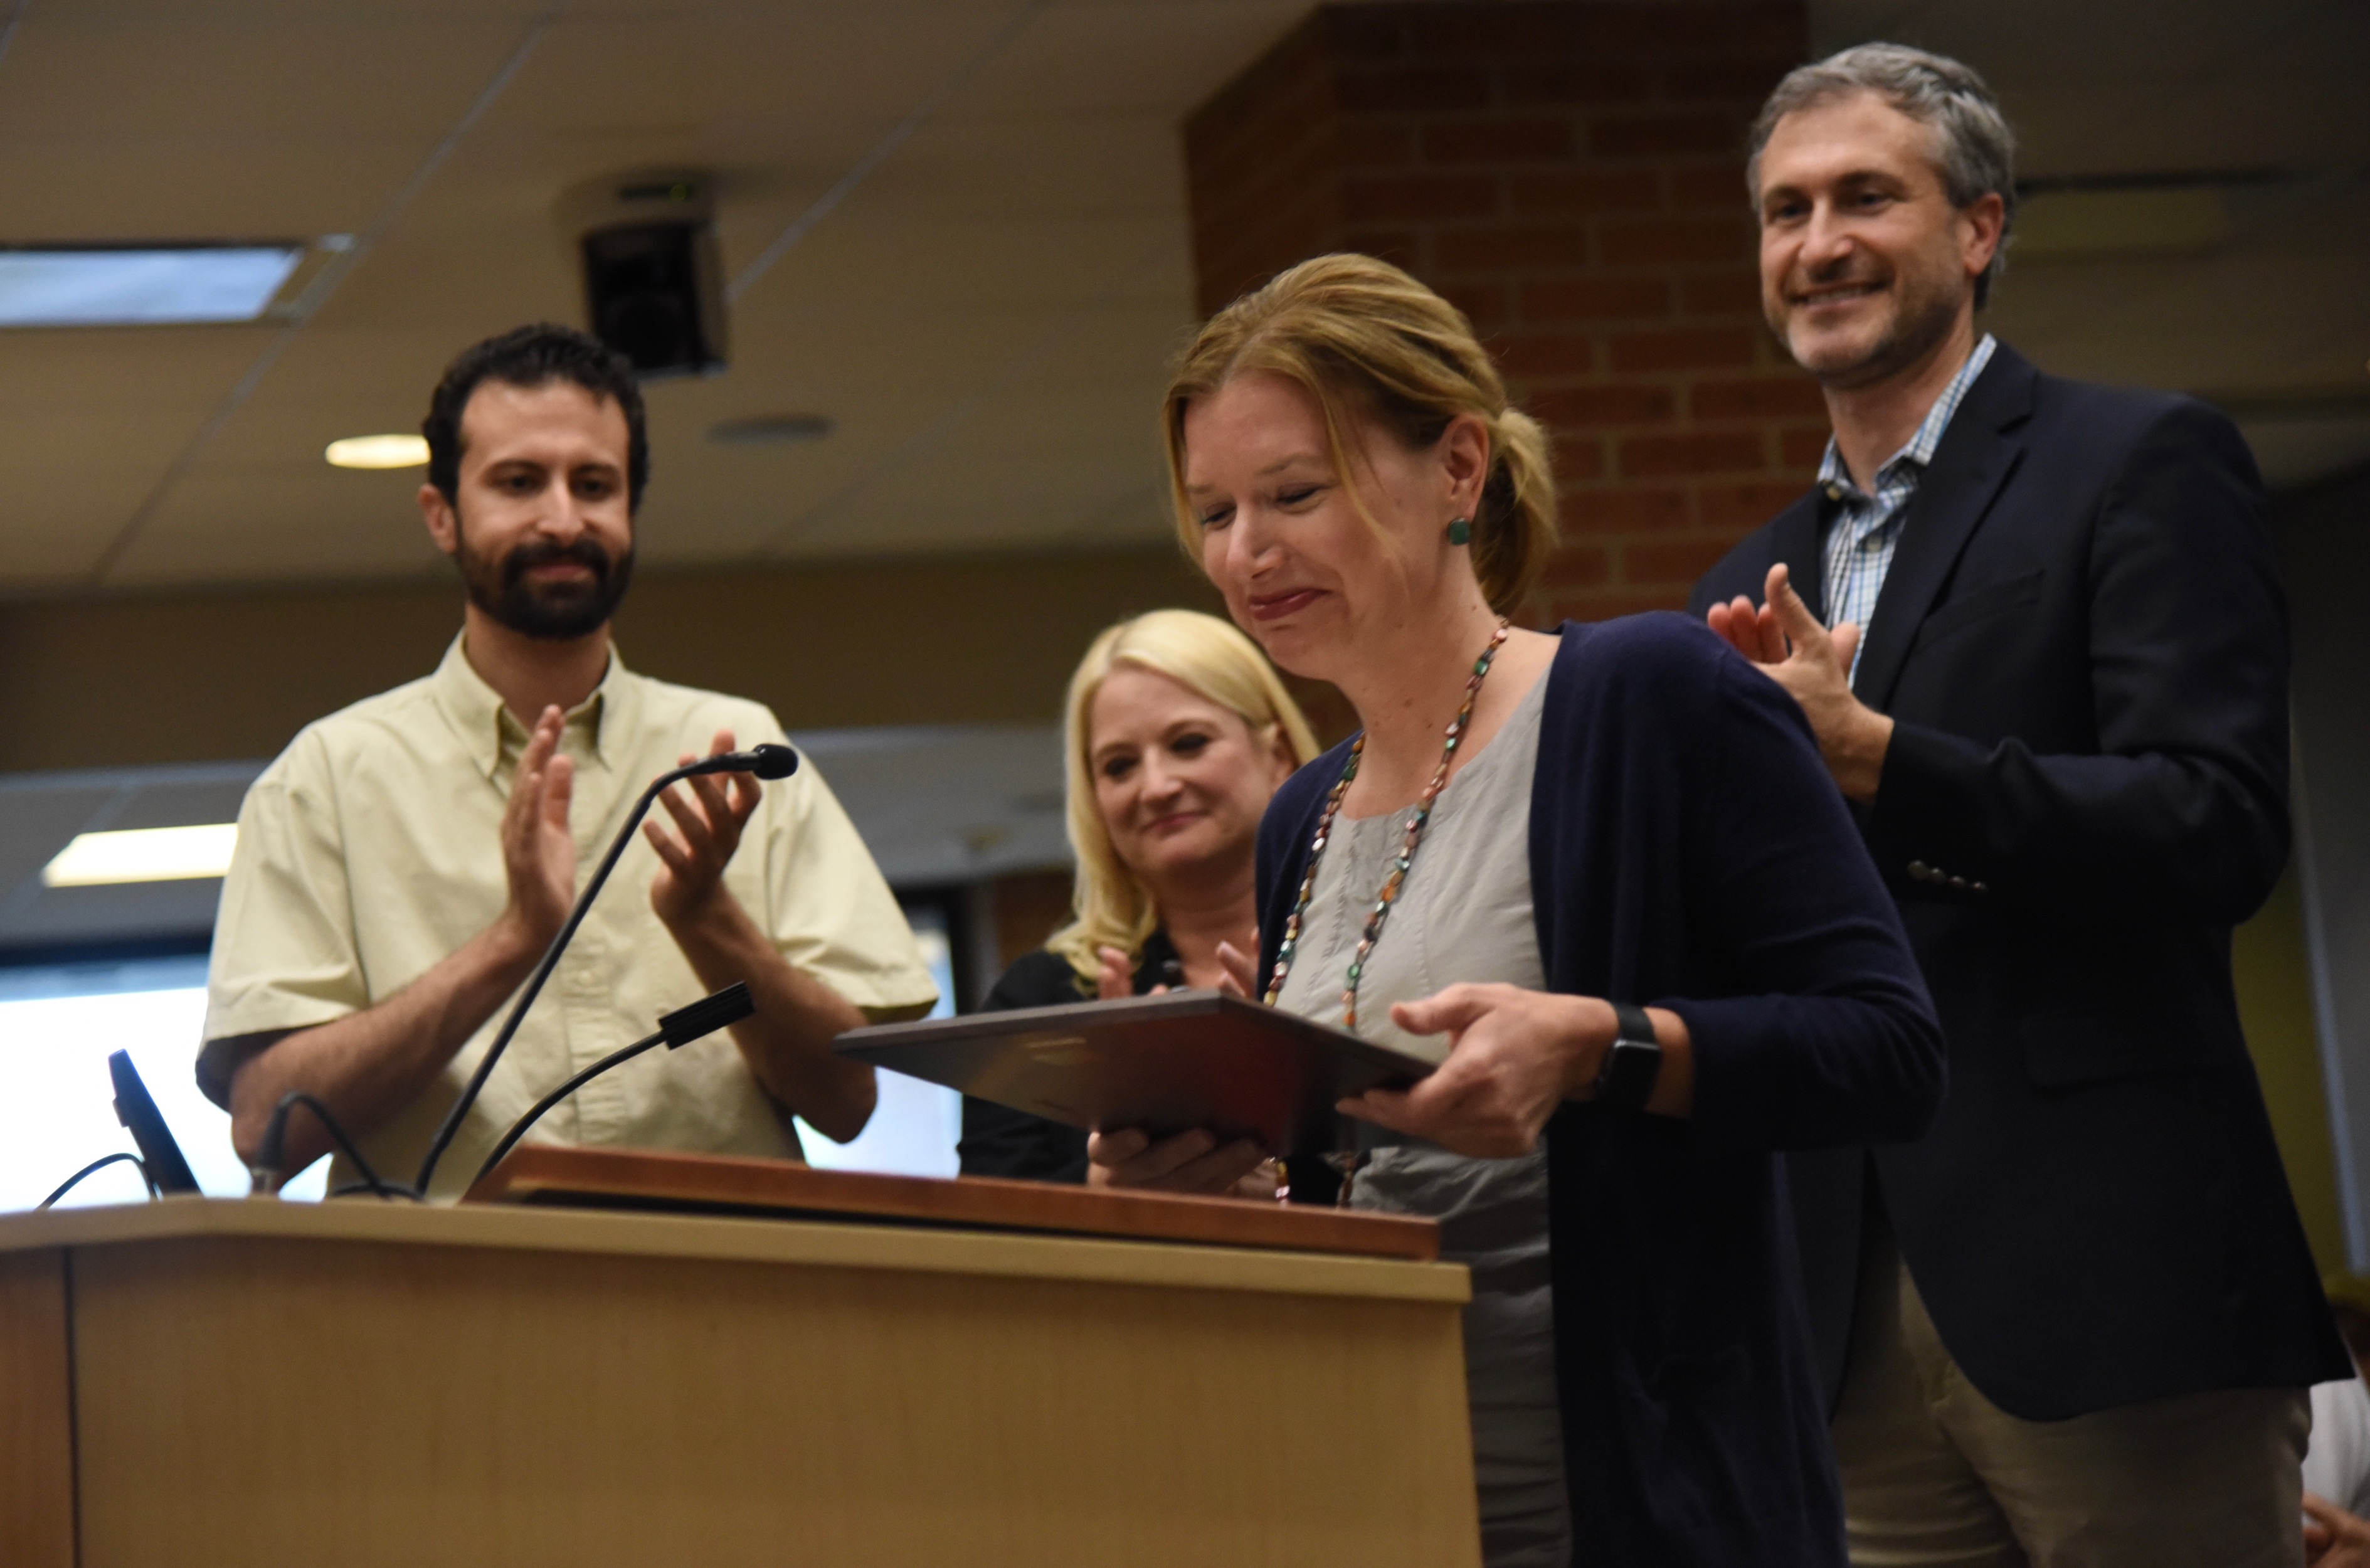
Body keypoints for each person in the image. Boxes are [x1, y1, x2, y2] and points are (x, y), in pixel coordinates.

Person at [1105, 251, 1946, 1567]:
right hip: (1372, 1490)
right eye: (1210, 511)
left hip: (1635, 1504)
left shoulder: (1642, 695)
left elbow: (1887, 1052)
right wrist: (1213, 1168)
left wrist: (1595, 1046)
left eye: (1292, 492)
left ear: (1456, 468)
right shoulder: (1298, 818)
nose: (1244, 550)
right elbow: (1360, 1188)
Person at [1688, 43, 2351, 1567]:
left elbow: (2211, 824)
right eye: (1782, 212)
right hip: (1837, 1313)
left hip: (2106, 1282)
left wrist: (1874, 757)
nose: (1816, 244)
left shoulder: (2132, 464)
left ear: (1976, 228)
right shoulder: (1741, 583)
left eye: (1865, 196)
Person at [201, 323, 936, 1199]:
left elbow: (848, 1101)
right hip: (440, 1313)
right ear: (441, 515)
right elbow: (267, 1128)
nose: (562, 518)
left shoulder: (739, 748)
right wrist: (511, 944)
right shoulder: (326, 776)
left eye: (595, 485)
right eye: (518, 483)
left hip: (724, 1308)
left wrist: (706, 919)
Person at [957, 608, 1318, 1184]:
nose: (1156, 787)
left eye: (1188, 743)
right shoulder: (1036, 1005)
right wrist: (1105, 1203)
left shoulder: (1370, 940)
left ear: (1276, 756)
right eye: (1120, 765)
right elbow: (977, 1243)